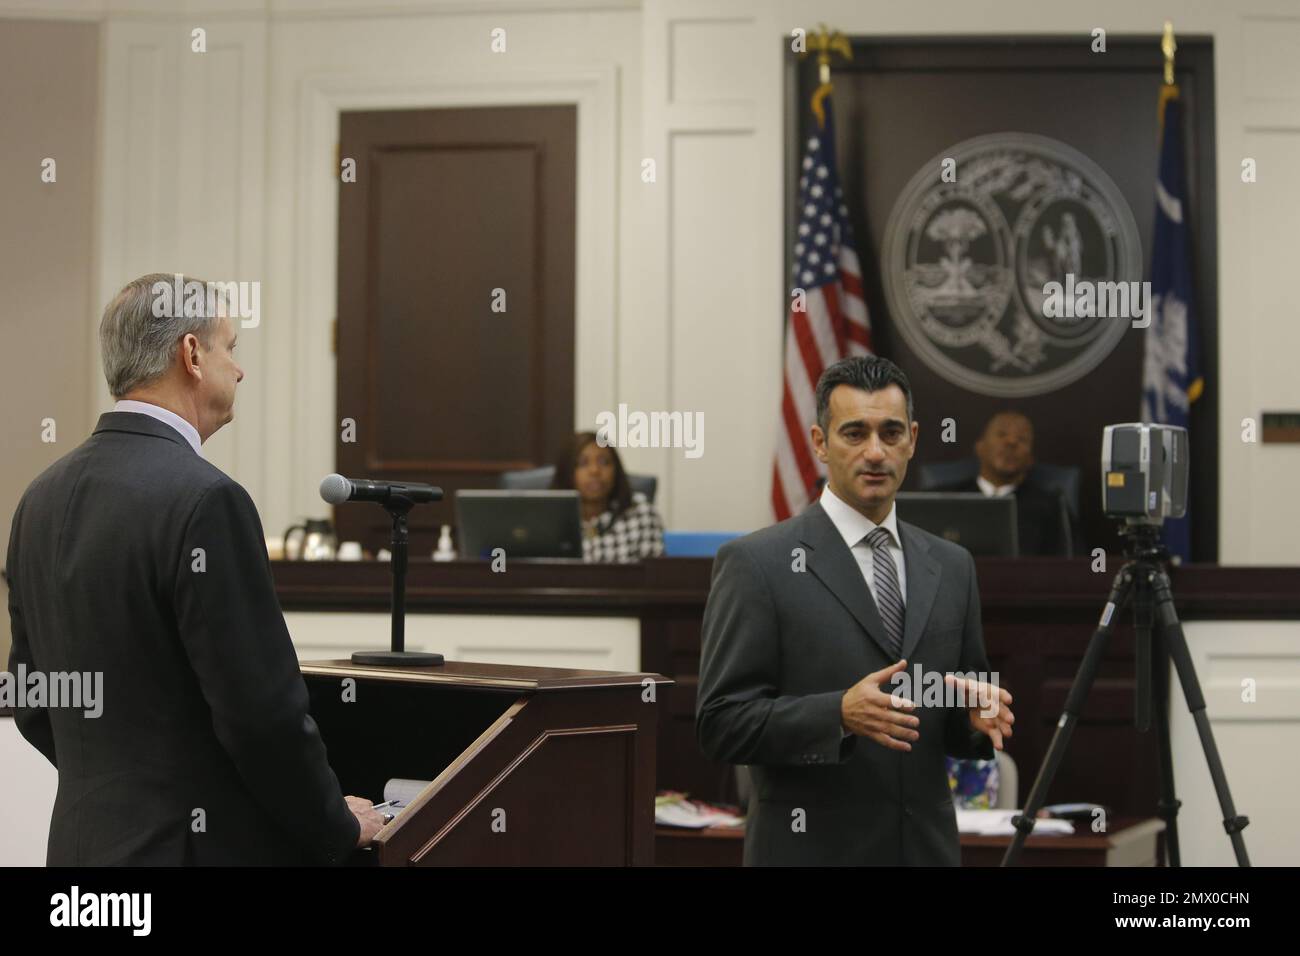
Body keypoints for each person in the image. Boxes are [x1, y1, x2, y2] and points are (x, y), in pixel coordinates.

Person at [5, 273, 385, 865]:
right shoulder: (208, 499)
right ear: (190, 354)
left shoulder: (37, 499)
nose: (239, 370)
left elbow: (31, 699)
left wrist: (122, 792)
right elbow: (261, 718)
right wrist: (334, 824)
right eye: (229, 348)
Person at [696, 355, 1013, 866]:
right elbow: (721, 722)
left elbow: (947, 710)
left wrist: (974, 720)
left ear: (911, 438)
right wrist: (837, 714)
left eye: (890, 433)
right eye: (854, 433)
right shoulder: (758, 563)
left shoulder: (953, 566)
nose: (875, 452)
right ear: (820, 443)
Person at [946, 410, 1077, 556]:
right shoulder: (945, 499)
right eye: (1001, 434)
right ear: (980, 447)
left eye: (1022, 439)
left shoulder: (1053, 507)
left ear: (1031, 459)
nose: (1011, 442)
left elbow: (1069, 567)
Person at [550, 431, 664, 563]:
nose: (594, 471)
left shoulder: (641, 514)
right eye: (582, 463)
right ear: (567, 472)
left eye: (604, 462)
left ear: (616, 470)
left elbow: (654, 578)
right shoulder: (550, 520)